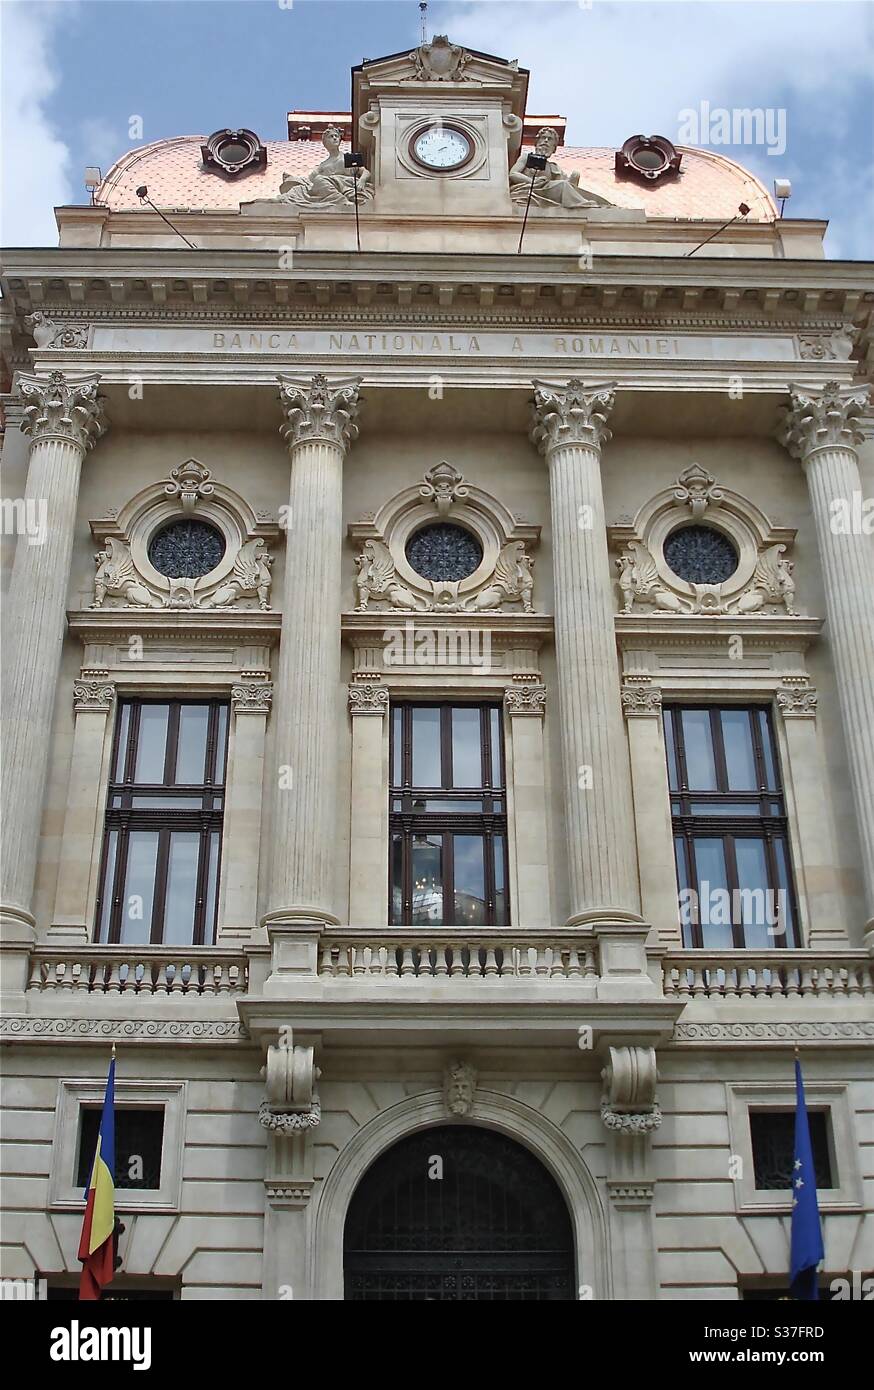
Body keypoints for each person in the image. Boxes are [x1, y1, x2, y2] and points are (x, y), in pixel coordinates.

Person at [510, 127, 609, 209]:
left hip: (546, 190)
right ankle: (582, 204)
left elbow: (566, 184)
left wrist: (574, 178)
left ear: (553, 148)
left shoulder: (553, 167)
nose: (546, 141)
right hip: (529, 188)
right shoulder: (526, 157)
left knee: (565, 185)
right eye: (543, 138)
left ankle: (598, 204)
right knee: (563, 185)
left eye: (550, 139)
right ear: (537, 142)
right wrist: (532, 181)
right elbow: (513, 174)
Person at [279, 126, 372, 208]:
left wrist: (362, 181)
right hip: (328, 186)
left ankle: (341, 200)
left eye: (336, 136)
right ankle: (340, 200)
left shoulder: (348, 157)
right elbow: (309, 182)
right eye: (331, 137)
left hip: (346, 184)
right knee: (299, 189)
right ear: (325, 142)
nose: (335, 138)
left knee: (319, 180)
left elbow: (365, 172)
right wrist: (293, 179)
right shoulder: (323, 165)